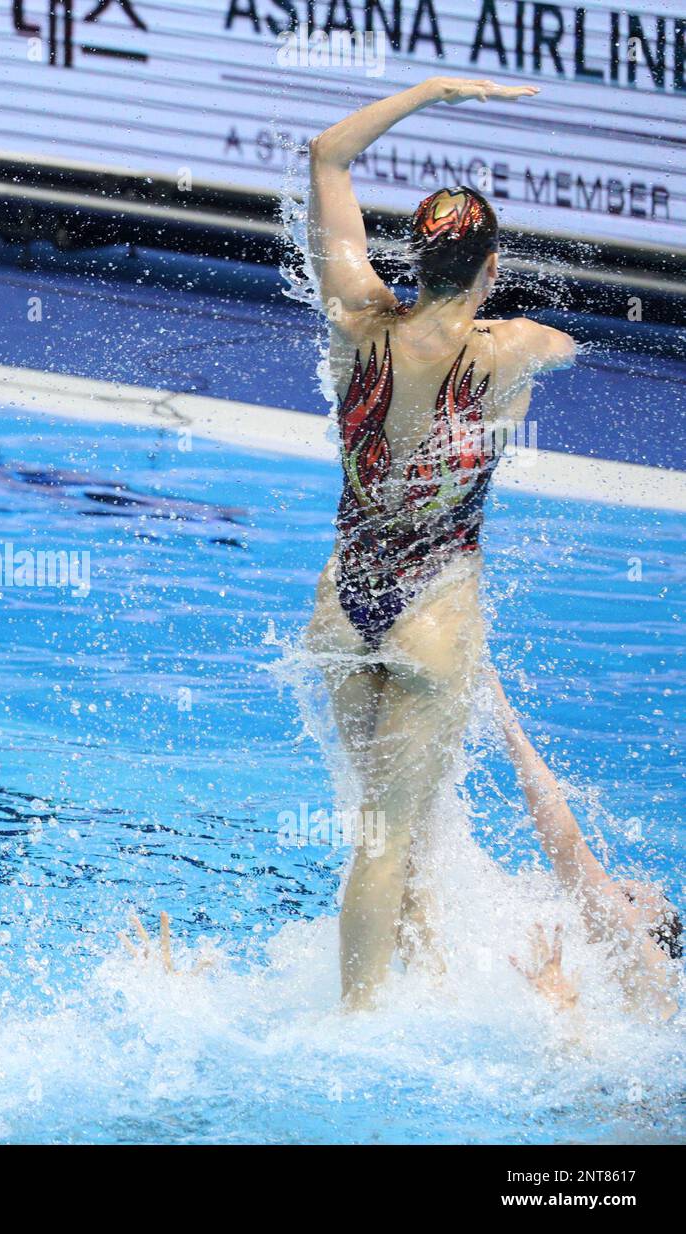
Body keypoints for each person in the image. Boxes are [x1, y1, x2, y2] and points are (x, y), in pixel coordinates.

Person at [301, 77, 577, 1008]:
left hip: (345, 605)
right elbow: (563, 349)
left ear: (412, 260)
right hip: (432, 610)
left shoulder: (354, 320)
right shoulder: (517, 349)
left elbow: (327, 153)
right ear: (489, 267)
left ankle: (415, 983)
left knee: (391, 833)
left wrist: (432, 91)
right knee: (389, 834)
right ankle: (357, 1026)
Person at [490, 671, 680, 1023]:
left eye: (628, 900)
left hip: (603, 1066)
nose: (603, 896)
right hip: (603, 1064)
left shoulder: (643, 954)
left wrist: (505, 718)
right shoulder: (640, 994)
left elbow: (566, 844)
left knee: (382, 848)